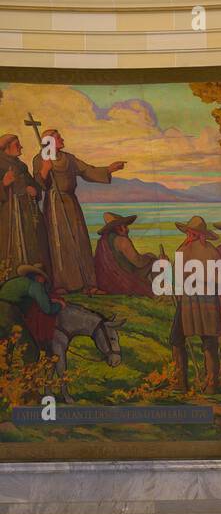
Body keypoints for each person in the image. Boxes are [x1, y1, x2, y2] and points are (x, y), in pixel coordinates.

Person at [34, 129, 125, 295]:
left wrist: (109, 170)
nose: (62, 139)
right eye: (58, 137)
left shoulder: (68, 158)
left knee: (80, 240)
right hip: (54, 204)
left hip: (71, 202)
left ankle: (88, 284)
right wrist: (45, 170)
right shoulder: (40, 159)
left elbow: (86, 171)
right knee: (59, 244)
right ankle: (62, 285)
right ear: (50, 142)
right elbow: (38, 184)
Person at [169, 215, 221, 393]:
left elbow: (177, 277)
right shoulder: (213, 251)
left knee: (177, 338)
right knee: (209, 339)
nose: (188, 236)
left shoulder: (185, 251)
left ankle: (181, 382)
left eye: (190, 233)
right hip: (209, 300)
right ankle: (212, 384)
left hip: (190, 300)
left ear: (194, 234)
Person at [0, 134, 51, 278]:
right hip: (8, 214)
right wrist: (3, 184)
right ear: (6, 148)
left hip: (26, 213)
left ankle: (32, 279)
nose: (21, 147)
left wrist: (36, 185)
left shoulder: (21, 165)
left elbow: (33, 186)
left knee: (31, 244)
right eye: (17, 144)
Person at [0, 262, 64, 352]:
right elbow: (47, 309)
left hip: (2, 311)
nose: (44, 281)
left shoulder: (19, 281)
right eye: (43, 279)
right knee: (29, 348)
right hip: (9, 312)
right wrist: (60, 305)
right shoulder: (35, 285)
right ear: (39, 277)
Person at [93, 212, 157, 296]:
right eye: (125, 226)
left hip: (107, 283)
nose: (127, 229)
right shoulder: (122, 240)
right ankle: (161, 292)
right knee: (157, 262)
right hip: (122, 281)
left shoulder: (104, 240)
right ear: (118, 227)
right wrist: (149, 257)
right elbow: (138, 262)